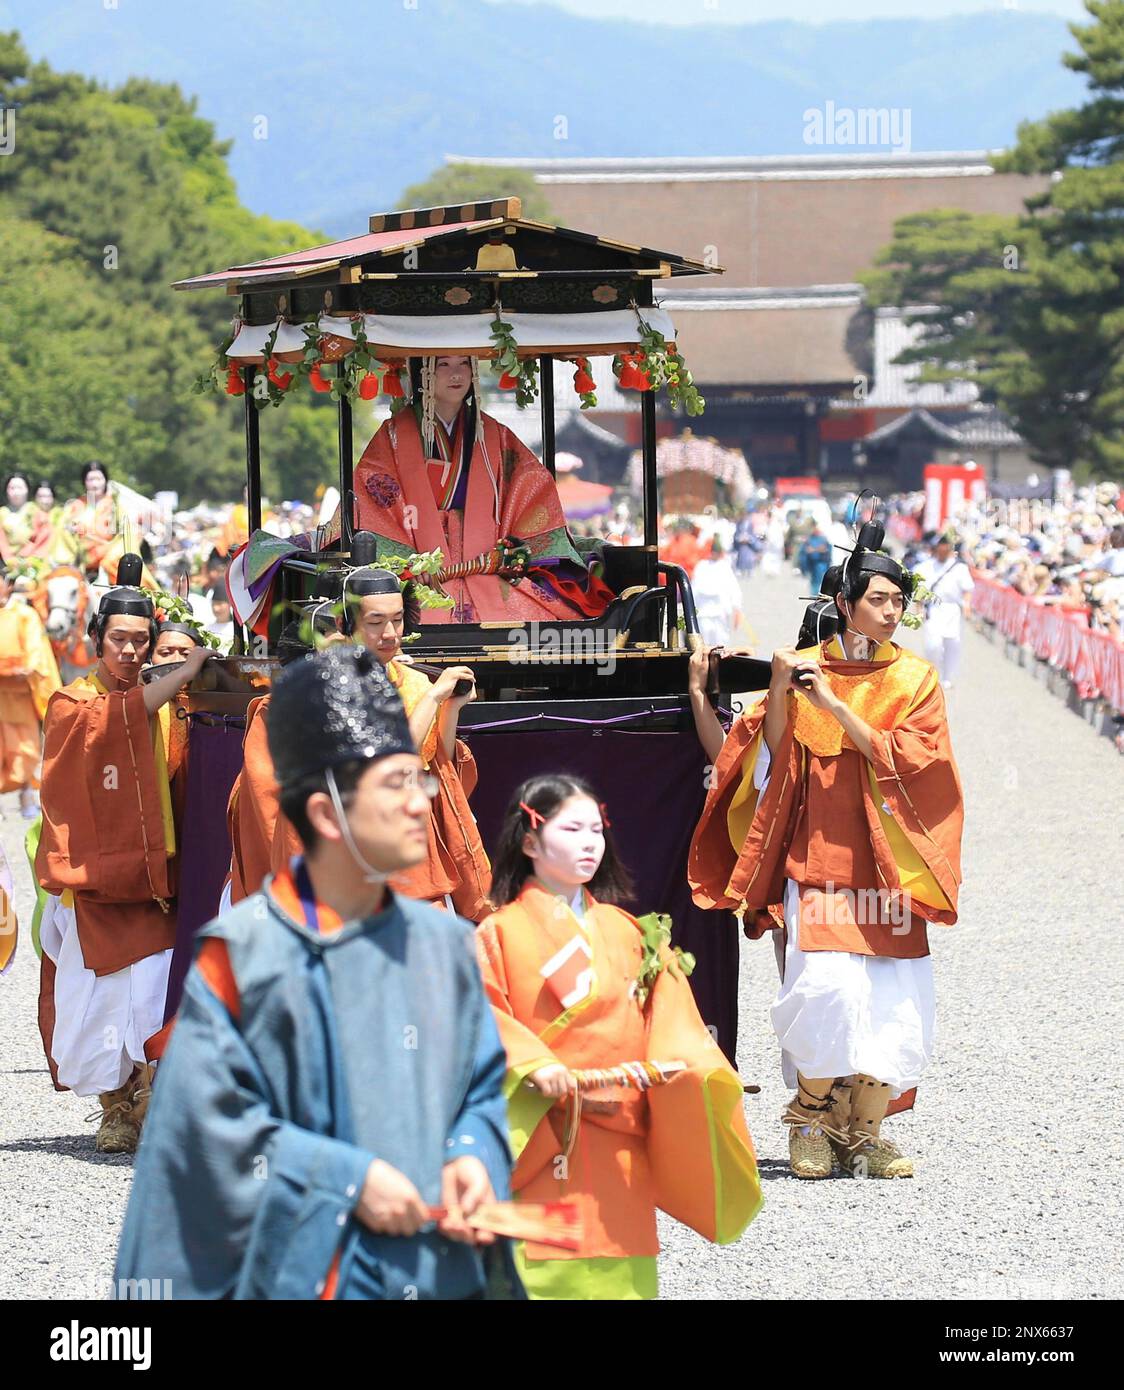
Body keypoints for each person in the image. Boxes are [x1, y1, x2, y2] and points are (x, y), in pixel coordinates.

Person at [114, 646, 516, 1300]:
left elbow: (479, 1093)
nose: (421, 802)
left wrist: (474, 1152)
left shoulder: (445, 947)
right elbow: (203, 1137)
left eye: (422, 781)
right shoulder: (243, 957)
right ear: (328, 815)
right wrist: (343, 1178)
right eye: (397, 785)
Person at [688, 525, 964, 1181]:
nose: (892, 611)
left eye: (900, 600)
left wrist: (833, 705)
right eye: (880, 599)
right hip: (819, 860)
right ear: (846, 604)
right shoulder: (809, 663)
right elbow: (775, 757)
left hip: (889, 866)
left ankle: (864, 1135)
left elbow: (906, 759)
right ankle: (810, 1122)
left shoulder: (916, 678)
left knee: (895, 1004)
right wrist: (782, 688)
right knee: (826, 992)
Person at [475, 774, 762, 1300]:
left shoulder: (628, 931)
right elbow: (478, 1015)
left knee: (621, 1276)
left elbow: (675, 1024)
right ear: (530, 841)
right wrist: (536, 1066)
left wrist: (690, 1071)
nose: (590, 842)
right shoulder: (497, 933)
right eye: (573, 829)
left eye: (596, 830)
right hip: (540, 1131)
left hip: (618, 1138)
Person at [35, 557, 211, 1152]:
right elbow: (112, 722)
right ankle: (113, 1110)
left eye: (142, 641)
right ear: (95, 640)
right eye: (119, 640)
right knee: (99, 1001)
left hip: (156, 880)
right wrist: (184, 672)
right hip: (95, 881)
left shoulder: (166, 705)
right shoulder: (73, 701)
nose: (131, 652)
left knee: (154, 993)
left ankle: (148, 1101)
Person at [228, 567, 491, 921]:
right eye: (375, 622)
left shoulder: (410, 680)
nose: (390, 633)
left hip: (413, 858)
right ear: (347, 625)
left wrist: (449, 708)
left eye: (397, 620)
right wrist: (434, 698)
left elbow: (437, 766)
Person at [316, 355, 612, 623]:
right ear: (422, 374)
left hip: (485, 567)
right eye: (443, 365)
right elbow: (372, 498)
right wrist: (411, 565)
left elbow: (530, 484)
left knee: (541, 616)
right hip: (420, 570)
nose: (456, 374)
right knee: (402, 613)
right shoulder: (392, 435)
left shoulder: (494, 434)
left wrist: (509, 547)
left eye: (465, 365)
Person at [0, 567, 61, 818]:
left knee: (23, 747)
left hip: (18, 693)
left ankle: (26, 793)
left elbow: (34, 656)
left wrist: (17, 669)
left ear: (8, 585)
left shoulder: (24, 615)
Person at [915, 533, 975, 690]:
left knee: (952, 643)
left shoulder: (959, 568)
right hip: (933, 609)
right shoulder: (926, 566)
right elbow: (920, 590)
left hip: (952, 609)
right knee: (933, 644)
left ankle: (947, 677)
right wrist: (919, 609)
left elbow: (968, 589)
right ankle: (934, 672)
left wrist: (967, 606)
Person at [62, 461, 118, 577]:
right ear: (84, 482)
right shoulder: (76, 505)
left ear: (105, 480)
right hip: (80, 561)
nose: (95, 484)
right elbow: (65, 532)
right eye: (90, 480)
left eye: (98, 479)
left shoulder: (115, 504)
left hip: (109, 560)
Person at [691, 536, 744, 647]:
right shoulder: (701, 566)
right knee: (703, 645)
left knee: (721, 644)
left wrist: (737, 608)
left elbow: (734, 589)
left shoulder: (724, 567)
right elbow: (694, 590)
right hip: (703, 612)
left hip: (720, 613)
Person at [0, 472, 35, 561]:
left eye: (19, 488)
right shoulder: (2, 513)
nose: (16, 492)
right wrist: (9, 559)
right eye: (12, 488)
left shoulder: (35, 511)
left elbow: (39, 537)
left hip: (31, 560)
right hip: (5, 560)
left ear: (27, 489)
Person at [797, 523, 833, 596]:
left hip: (821, 563)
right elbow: (804, 551)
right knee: (814, 581)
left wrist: (815, 550)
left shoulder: (824, 538)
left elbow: (826, 549)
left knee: (820, 580)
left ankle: (819, 594)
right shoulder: (809, 539)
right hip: (812, 564)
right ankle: (815, 594)